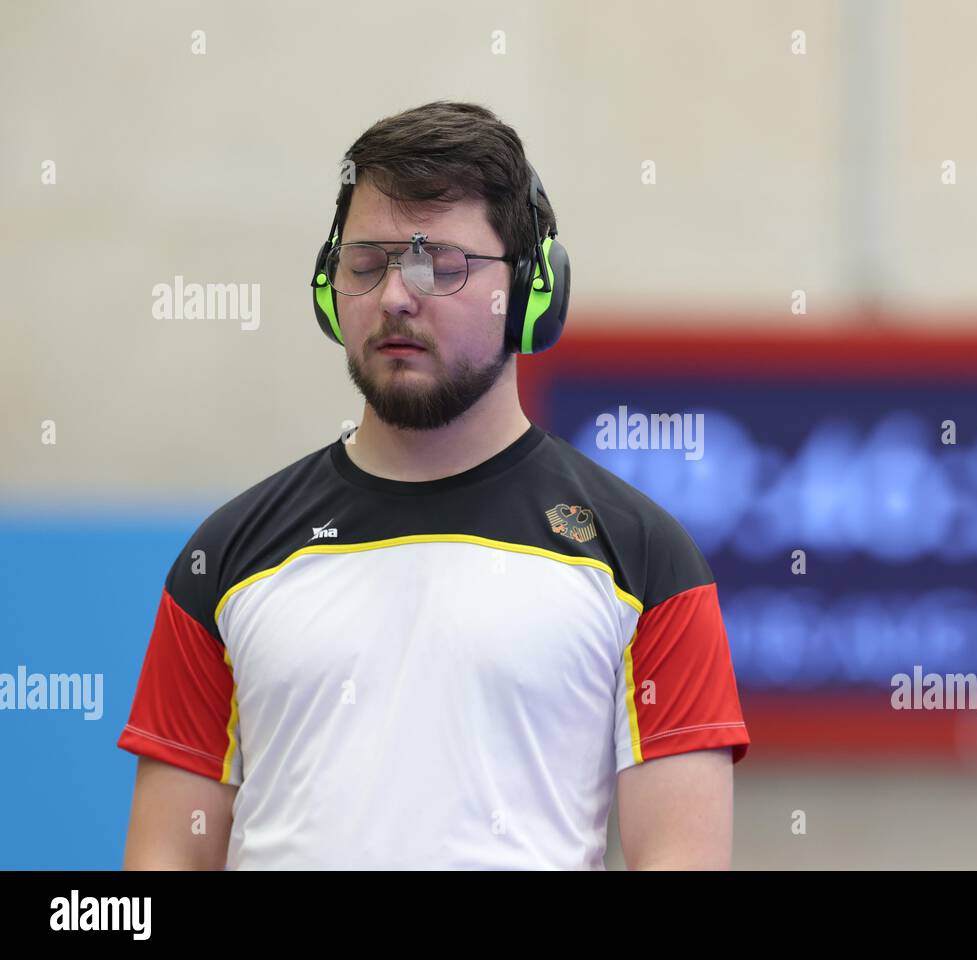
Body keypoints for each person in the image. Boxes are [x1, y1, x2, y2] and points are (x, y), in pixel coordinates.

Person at [116, 100, 750, 870]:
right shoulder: (224, 558)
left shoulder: (644, 560)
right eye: (364, 262)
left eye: (438, 264)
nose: (394, 297)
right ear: (328, 287)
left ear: (529, 290)